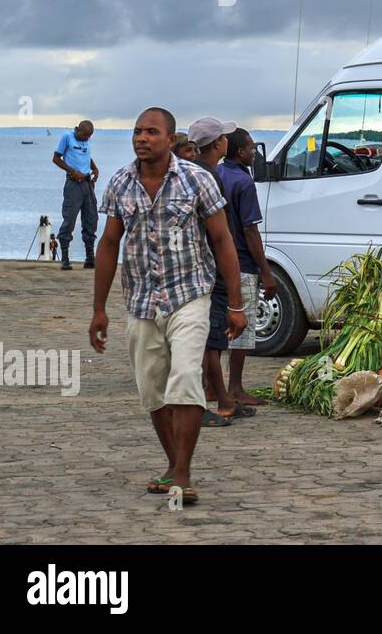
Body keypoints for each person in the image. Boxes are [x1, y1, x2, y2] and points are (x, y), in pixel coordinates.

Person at [89, 107, 245, 506]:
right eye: (137, 131)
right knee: (153, 390)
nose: (142, 138)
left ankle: (184, 473)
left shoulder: (196, 181)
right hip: (141, 301)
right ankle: (174, 463)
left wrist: (237, 303)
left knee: (186, 380)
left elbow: (223, 240)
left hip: (189, 296)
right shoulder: (121, 183)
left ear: (171, 139)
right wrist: (99, 308)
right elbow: (109, 244)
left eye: (151, 132)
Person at [186, 117, 247, 427]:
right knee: (212, 341)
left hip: (206, 270)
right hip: (213, 273)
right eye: (224, 137)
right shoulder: (208, 176)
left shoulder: (202, 173)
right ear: (218, 144)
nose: (228, 141)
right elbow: (219, 235)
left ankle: (223, 398)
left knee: (212, 339)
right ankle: (219, 401)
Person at [218, 128, 277, 408]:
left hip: (217, 261)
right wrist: (265, 271)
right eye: (252, 148)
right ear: (240, 152)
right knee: (242, 328)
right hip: (241, 261)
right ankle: (236, 388)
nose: (255, 152)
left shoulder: (217, 173)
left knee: (218, 327)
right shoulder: (244, 182)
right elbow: (250, 231)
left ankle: (212, 385)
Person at [52, 120, 100, 271]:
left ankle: (90, 258)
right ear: (78, 130)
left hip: (87, 183)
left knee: (91, 218)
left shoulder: (87, 140)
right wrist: (72, 171)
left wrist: (95, 168)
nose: (86, 138)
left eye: (89, 136)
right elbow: (56, 159)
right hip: (73, 184)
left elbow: (86, 156)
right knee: (69, 220)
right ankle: (65, 259)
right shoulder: (67, 137)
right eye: (84, 135)